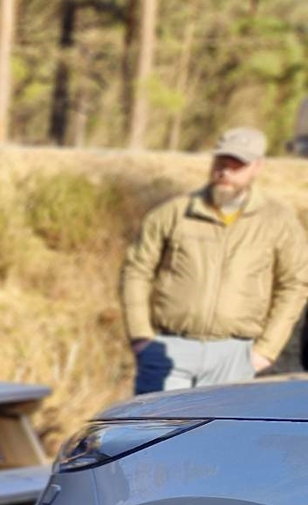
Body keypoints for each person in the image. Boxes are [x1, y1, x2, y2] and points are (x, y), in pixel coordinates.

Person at [121, 127, 308, 395]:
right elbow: (136, 270)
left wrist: (266, 350)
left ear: (257, 166)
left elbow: (294, 284)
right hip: (167, 350)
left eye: (237, 165)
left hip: (236, 353)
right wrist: (141, 336)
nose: (226, 172)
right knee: (158, 436)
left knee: (219, 437)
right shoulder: (171, 214)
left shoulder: (279, 222)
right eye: (221, 162)